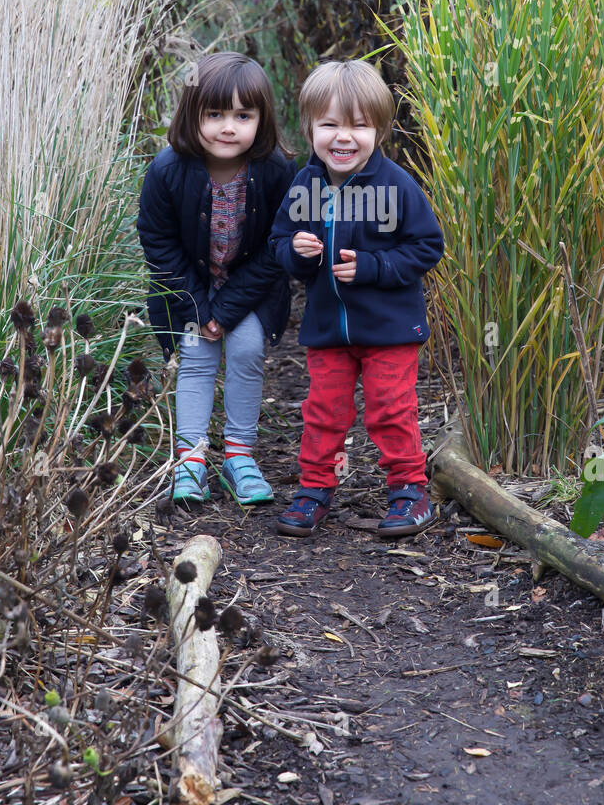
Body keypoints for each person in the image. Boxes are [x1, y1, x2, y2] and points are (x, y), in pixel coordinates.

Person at [269, 58, 445, 539]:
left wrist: (372, 267)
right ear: (309, 128)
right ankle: (314, 490)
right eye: (329, 125)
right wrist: (297, 252)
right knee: (323, 411)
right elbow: (278, 242)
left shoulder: (396, 185)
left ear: (380, 131)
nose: (343, 137)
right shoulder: (305, 185)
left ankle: (409, 491)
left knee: (390, 408)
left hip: (390, 329)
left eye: (359, 126)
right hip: (329, 330)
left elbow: (427, 247)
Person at [137, 51, 297, 505]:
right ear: (192, 114)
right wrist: (199, 308)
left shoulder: (277, 170)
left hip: (251, 288)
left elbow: (278, 244)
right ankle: (190, 459)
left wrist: (225, 311)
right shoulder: (167, 170)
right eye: (214, 114)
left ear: (262, 119)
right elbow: (159, 244)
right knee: (195, 352)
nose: (229, 127)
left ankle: (239, 456)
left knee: (246, 349)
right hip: (187, 288)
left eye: (243, 116)